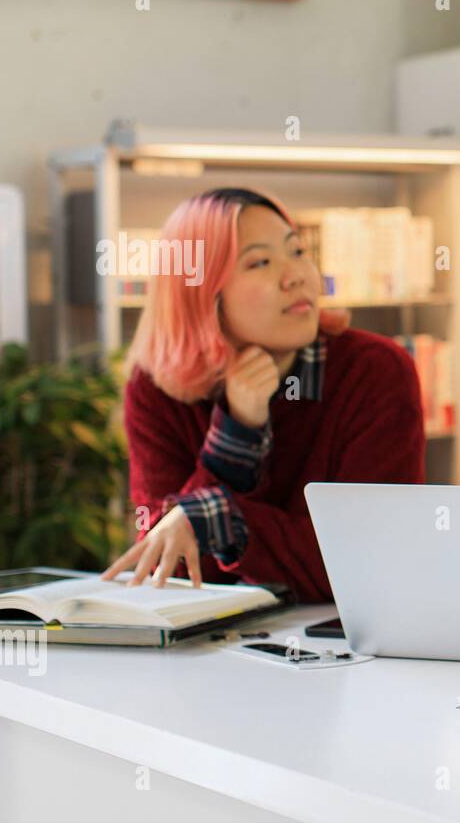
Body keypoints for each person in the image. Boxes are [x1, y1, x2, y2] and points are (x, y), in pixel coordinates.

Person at [103, 188, 424, 601]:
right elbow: (169, 566)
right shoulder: (155, 388)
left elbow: (372, 561)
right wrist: (237, 433)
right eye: (260, 262)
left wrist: (220, 521)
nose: (296, 276)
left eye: (297, 251)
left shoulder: (374, 370)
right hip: (207, 652)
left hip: (344, 647)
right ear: (202, 294)